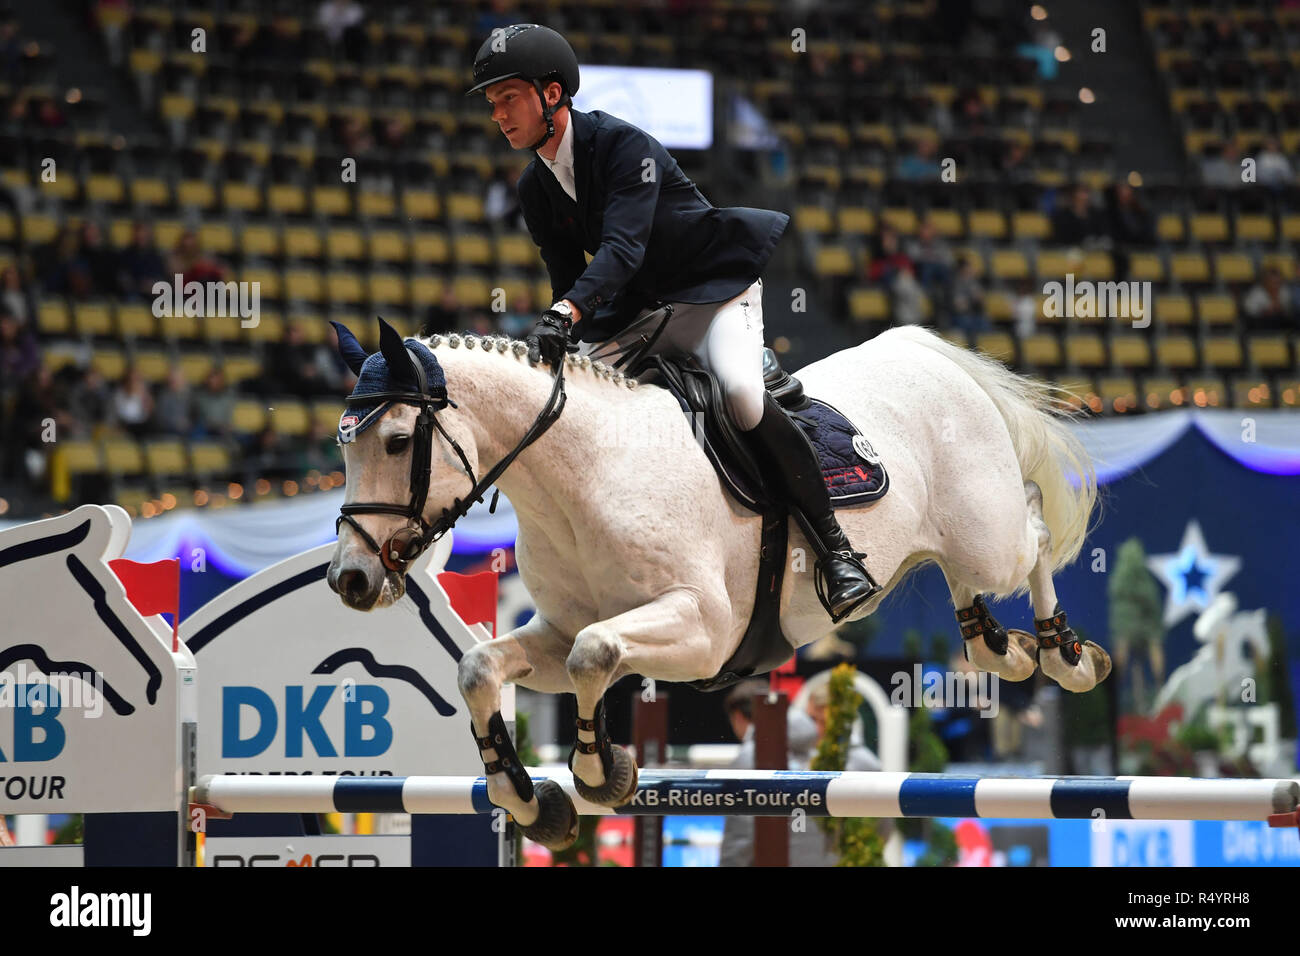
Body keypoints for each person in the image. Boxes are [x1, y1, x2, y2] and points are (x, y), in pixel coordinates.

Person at [468, 24, 875, 619]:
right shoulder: (535, 185)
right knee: (576, 403)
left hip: (713, 293)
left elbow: (623, 251)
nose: (499, 114)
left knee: (741, 398)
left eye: (508, 98)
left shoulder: (623, 147)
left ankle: (837, 552)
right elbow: (564, 276)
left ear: (551, 94)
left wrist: (566, 313)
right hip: (642, 314)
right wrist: (558, 338)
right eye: (492, 103)